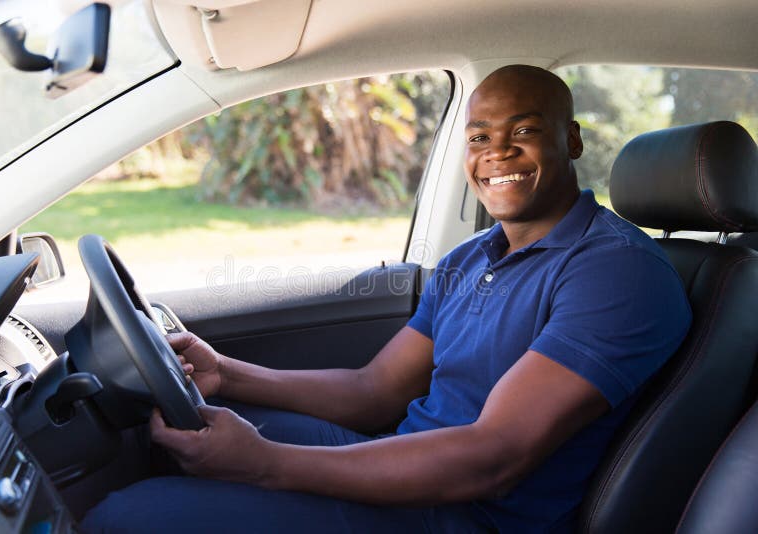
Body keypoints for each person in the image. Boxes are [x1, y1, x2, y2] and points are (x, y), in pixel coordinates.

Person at [81, 65, 691, 533]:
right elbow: (374, 392)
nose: (497, 153)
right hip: (401, 459)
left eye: (525, 132)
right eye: (479, 136)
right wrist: (227, 374)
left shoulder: (617, 273)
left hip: (466, 514)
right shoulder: (470, 257)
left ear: (573, 141)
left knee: (127, 517)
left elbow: (492, 456)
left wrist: (264, 462)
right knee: (165, 444)